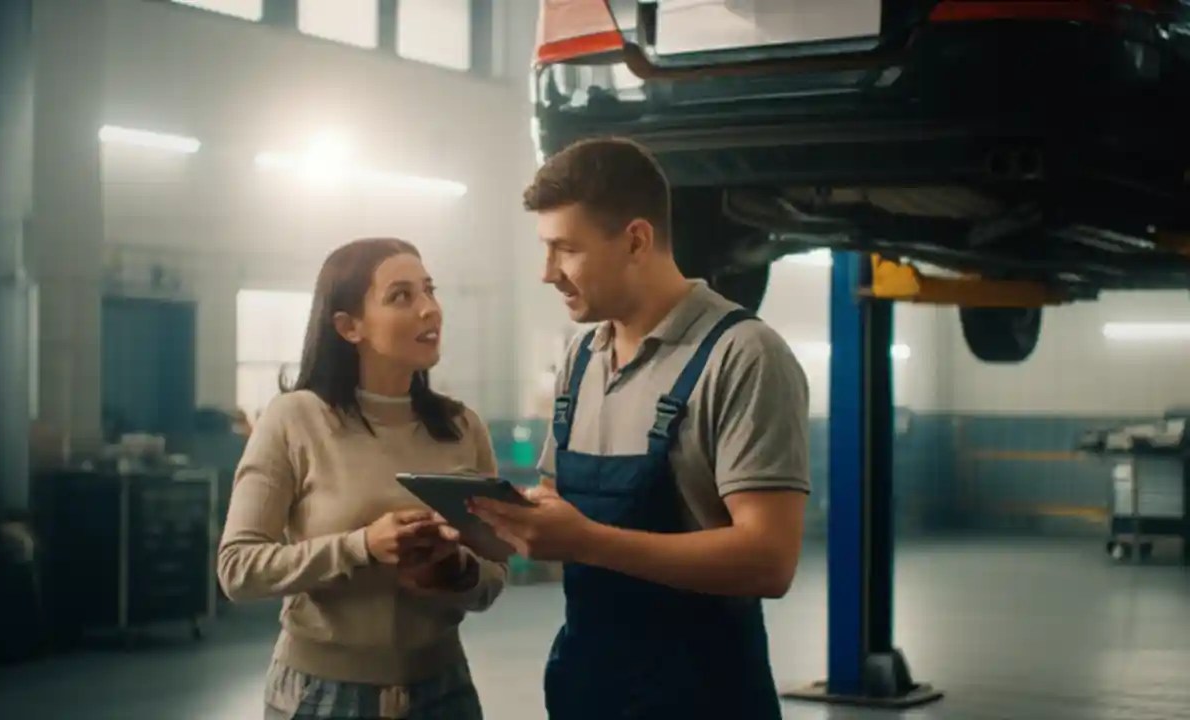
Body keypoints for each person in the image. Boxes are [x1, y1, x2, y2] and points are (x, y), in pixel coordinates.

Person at [470, 138, 810, 719]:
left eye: (565, 249)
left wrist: (589, 542)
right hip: (589, 687)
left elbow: (769, 559)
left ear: (635, 240)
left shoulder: (743, 356)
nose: (546, 273)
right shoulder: (580, 359)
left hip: (704, 698)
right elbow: (558, 507)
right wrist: (472, 531)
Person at [218, 238, 506, 720]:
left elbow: (495, 573)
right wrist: (361, 547)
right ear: (349, 327)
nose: (429, 310)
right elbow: (238, 568)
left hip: (445, 691)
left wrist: (455, 570)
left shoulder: (462, 427)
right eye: (401, 296)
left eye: (430, 292)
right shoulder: (295, 419)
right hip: (321, 696)